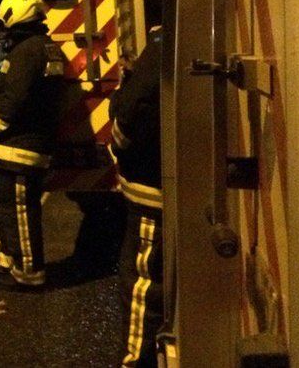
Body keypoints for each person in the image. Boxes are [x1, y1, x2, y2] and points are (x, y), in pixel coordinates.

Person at [0, 0, 65, 290]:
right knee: (4, 200)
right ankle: (9, 262)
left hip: (22, 148)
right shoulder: (47, 47)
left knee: (20, 209)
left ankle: (29, 273)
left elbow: (11, 103)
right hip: (26, 145)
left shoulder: (26, 52)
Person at [110, 27, 163, 368]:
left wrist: (118, 145)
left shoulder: (159, 46)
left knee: (142, 281)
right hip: (168, 185)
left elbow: (132, 106)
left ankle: (137, 360)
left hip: (149, 190)